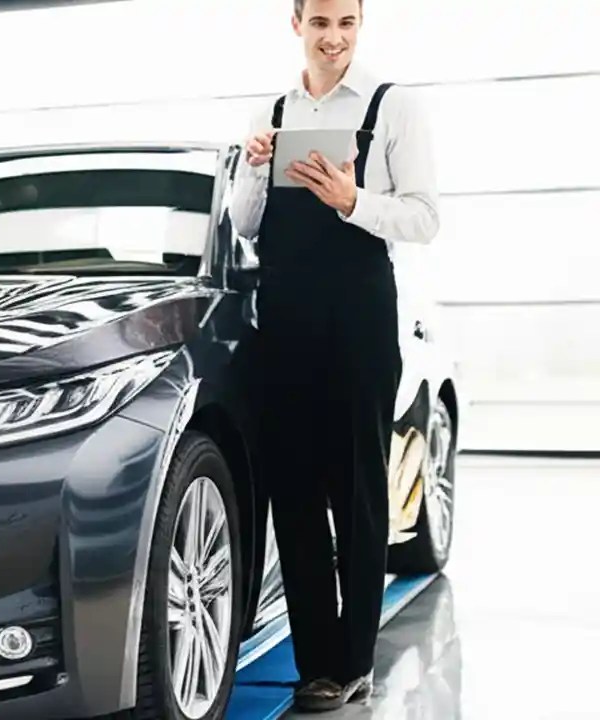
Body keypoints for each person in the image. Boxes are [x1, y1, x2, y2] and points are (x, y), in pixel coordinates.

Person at [228, 0, 440, 712]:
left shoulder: (392, 106)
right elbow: (247, 225)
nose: (334, 37)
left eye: (346, 23)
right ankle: (316, 662)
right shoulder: (271, 112)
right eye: (321, 23)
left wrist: (354, 200)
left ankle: (352, 663)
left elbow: (423, 216)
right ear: (297, 25)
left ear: (358, 25)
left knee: (355, 487)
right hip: (285, 320)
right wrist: (256, 167)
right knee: (294, 491)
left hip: (358, 314)